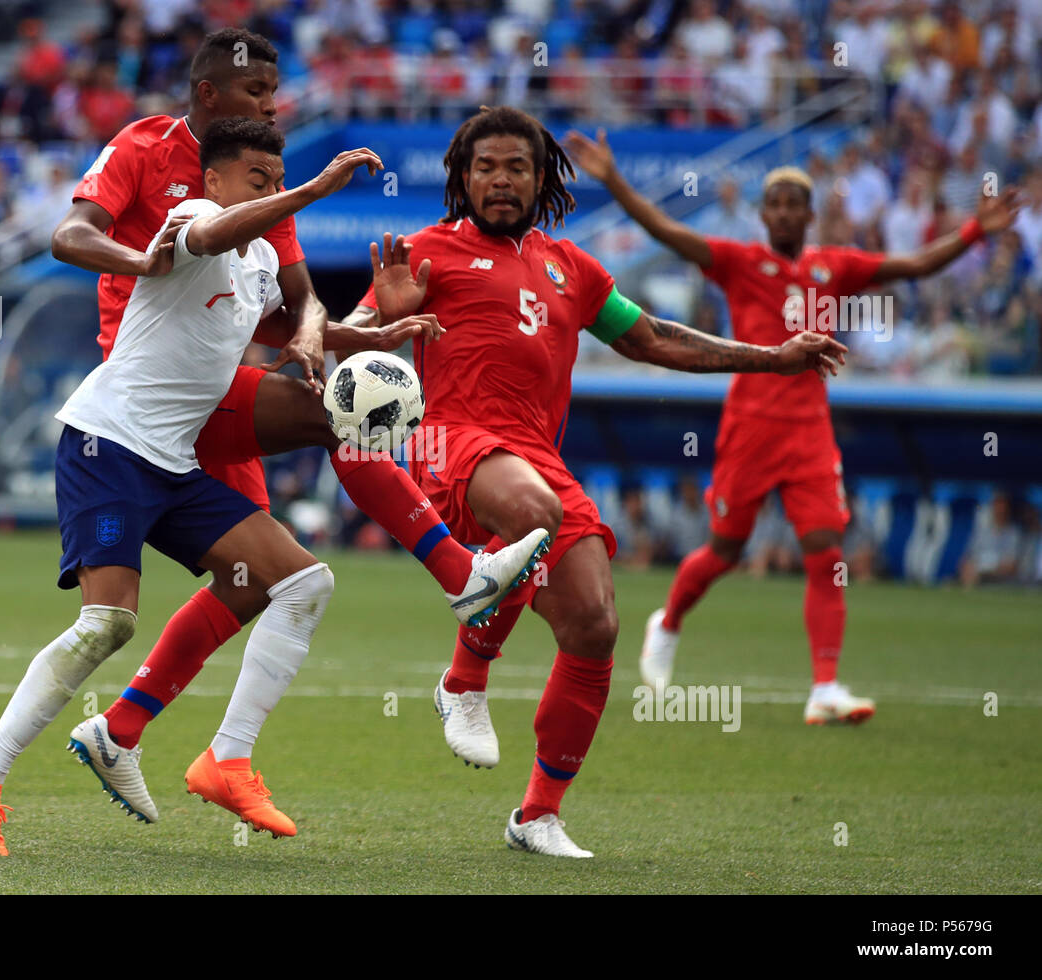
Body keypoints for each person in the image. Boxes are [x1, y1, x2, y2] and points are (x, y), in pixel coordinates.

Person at [50, 29, 548, 824]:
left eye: (277, 95)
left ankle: (136, 732)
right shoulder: (146, 149)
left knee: (258, 581)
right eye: (257, 95)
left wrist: (323, 327)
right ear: (209, 95)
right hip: (153, 392)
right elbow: (71, 234)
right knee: (337, 414)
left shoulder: (263, 175)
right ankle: (461, 576)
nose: (274, 107)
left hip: (216, 384)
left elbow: (296, 300)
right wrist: (141, 260)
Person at [344, 106, 847, 857]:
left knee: (595, 625)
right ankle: (464, 679)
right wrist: (382, 324)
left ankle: (538, 814)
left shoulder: (571, 270)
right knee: (533, 510)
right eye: (485, 167)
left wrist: (772, 356)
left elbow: (651, 339)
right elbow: (347, 356)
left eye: (516, 166)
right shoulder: (422, 254)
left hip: (538, 458)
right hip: (453, 443)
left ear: (541, 176)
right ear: (462, 177)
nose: (501, 180)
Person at [563, 128, 1021, 726]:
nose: (782, 212)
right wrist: (614, 179)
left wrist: (972, 233)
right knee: (725, 549)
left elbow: (911, 264)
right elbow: (667, 233)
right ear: (762, 214)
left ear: (809, 214)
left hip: (808, 431)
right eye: (773, 203)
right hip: (749, 427)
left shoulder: (834, 268)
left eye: (792, 204)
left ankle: (825, 687)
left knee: (825, 551)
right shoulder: (739, 261)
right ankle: (668, 622)